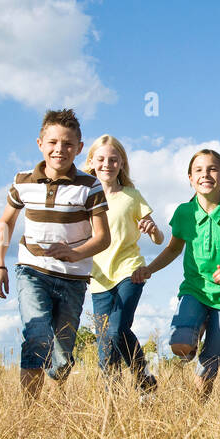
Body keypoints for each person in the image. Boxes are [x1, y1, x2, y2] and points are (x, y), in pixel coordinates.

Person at [0, 109, 110, 400]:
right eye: (53, 142)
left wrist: (74, 252)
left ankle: (56, 400)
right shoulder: (23, 180)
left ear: (80, 149)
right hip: (31, 271)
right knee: (36, 334)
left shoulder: (89, 187)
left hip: (73, 279)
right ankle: (28, 413)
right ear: (40, 143)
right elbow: (5, 222)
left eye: (68, 144)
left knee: (62, 354)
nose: (60, 150)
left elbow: (103, 238)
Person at [132, 149, 220, 399]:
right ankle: (195, 330)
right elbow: (173, 248)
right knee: (180, 345)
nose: (205, 174)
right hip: (194, 291)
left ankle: (198, 409)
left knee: (210, 360)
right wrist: (149, 269)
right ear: (190, 177)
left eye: (212, 169)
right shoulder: (184, 213)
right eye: (198, 170)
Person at [83, 134, 162, 393]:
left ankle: (141, 377)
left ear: (121, 164)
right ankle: (114, 395)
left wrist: (152, 229)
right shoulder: (84, 197)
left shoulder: (131, 196)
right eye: (102, 159)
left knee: (116, 329)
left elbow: (160, 238)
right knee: (105, 340)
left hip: (130, 271)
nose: (107, 164)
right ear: (92, 161)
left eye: (113, 160)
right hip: (98, 278)